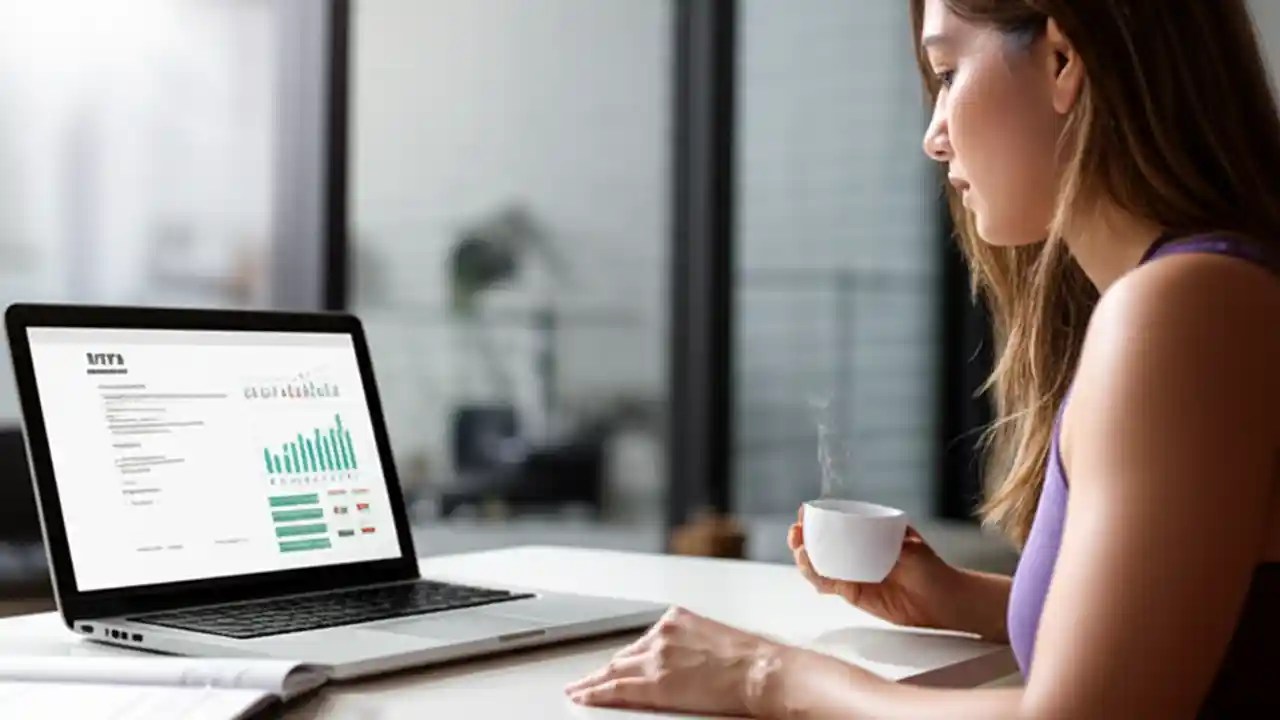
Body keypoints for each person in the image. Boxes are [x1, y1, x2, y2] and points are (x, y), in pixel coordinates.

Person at [565, 0, 1280, 715]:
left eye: (947, 72)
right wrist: (957, 596)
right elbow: (1179, 634)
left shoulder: (1186, 308)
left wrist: (767, 676)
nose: (934, 139)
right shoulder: (1207, 295)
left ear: (1063, 61)